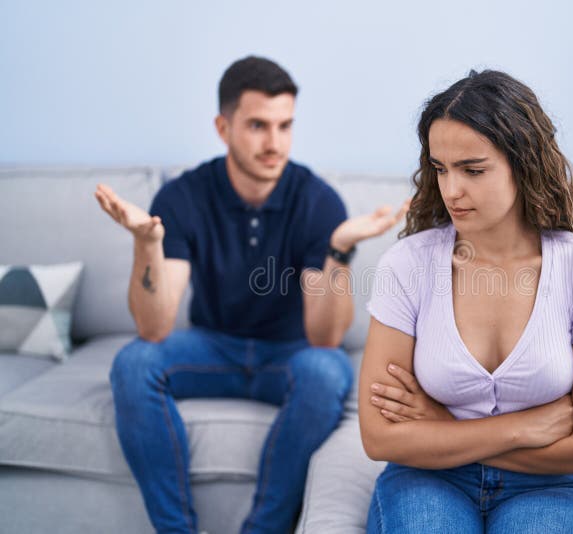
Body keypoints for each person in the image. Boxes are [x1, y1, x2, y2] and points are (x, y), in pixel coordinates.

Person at [94, 56, 407, 534]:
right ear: (223, 128)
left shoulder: (318, 201)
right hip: (211, 347)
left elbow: (324, 337)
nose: (274, 143)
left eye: (285, 126)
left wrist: (338, 249)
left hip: (290, 353)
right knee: (133, 363)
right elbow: (154, 328)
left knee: (327, 370)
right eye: (258, 125)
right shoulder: (182, 197)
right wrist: (147, 243)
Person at [359, 69, 573, 533]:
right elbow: (379, 437)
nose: (451, 190)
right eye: (440, 169)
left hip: (556, 484)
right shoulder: (407, 264)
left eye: (473, 170)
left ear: (523, 165)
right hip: (429, 477)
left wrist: (442, 428)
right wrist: (518, 429)